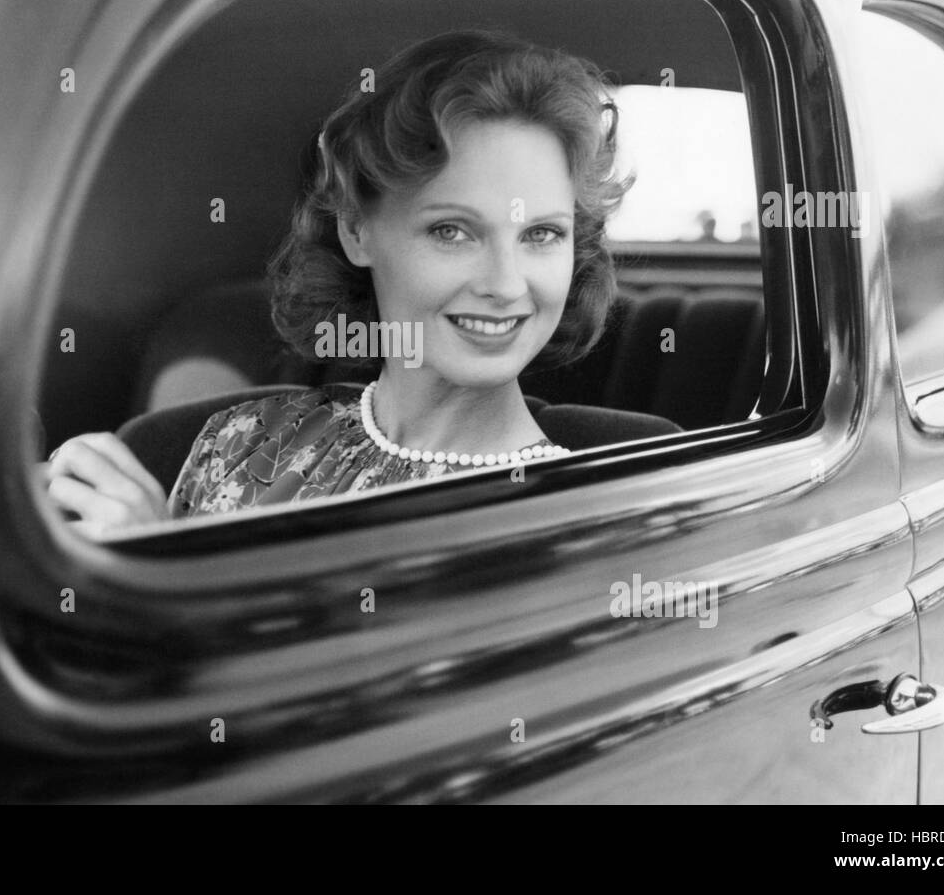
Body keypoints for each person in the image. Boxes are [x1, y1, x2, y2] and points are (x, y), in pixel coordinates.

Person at [44, 28, 632, 536]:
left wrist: (152, 579)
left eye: (541, 235)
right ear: (358, 232)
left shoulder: (577, 512)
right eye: (453, 231)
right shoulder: (241, 440)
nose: (506, 284)